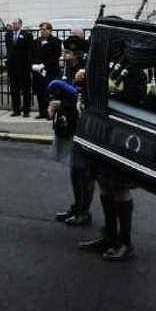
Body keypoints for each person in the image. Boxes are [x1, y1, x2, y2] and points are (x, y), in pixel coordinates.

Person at [50, 49, 93, 227]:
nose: (65, 56)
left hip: (83, 123)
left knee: (84, 170)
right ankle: (77, 207)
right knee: (75, 169)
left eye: (68, 52)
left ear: (76, 53)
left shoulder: (85, 69)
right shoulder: (67, 68)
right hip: (68, 122)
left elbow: (83, 98)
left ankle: (84, 211)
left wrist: (61, 103)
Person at [31, 22, 62, 120]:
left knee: (48, 92)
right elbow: (33, 55)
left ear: (50, 30)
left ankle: (50, 113)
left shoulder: (56, 41)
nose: (42, 31)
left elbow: (55, 56)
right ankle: (42, 112)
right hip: (38, 71)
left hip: (50, 70)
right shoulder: (36, 41)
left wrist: (44, 65)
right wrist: (34, 65)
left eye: (44, 29)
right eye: (41, 30)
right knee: (40, 92)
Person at [6, 19, 34, 117]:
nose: (13, 25)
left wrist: (29, 65)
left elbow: (30, 51)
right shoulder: (8, 35)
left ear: (20, 24)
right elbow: (9, 49)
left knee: (26, 90)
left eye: (15, 23)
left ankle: (26, 110)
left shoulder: (27, 35)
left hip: (24, 67)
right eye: (13, 23)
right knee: (14, 90)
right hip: (12, 67)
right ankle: (16, 110)